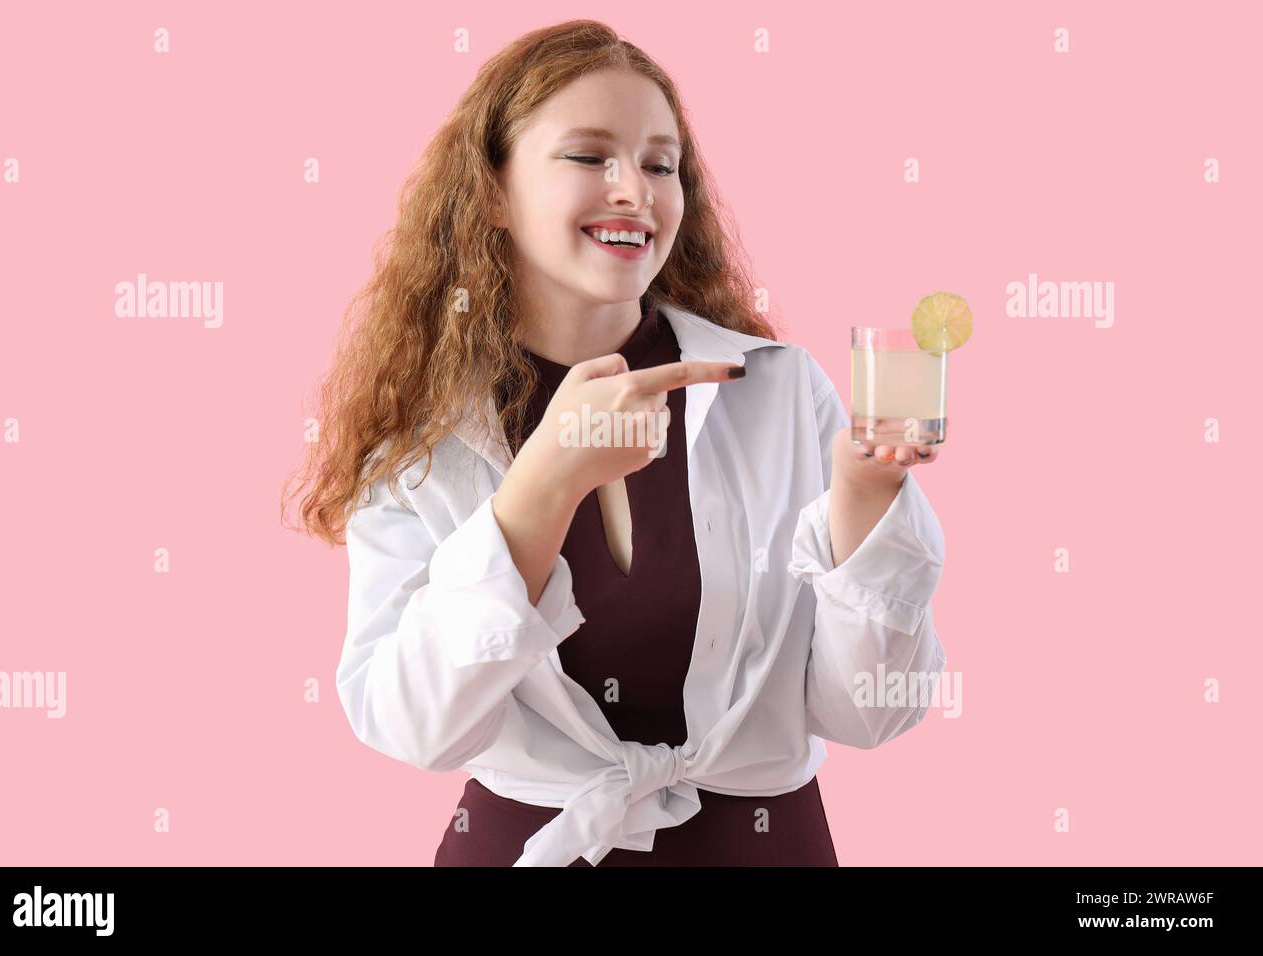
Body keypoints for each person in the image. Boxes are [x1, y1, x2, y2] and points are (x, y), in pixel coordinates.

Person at [282, 19, 948, 867]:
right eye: (589, 157)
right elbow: (413, 728)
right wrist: (541, 488)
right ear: (491, 193)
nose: (635, 189)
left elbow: (871, 714)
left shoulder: (777, 391)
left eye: (660, 164)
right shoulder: (425, 432)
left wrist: (863, 506)